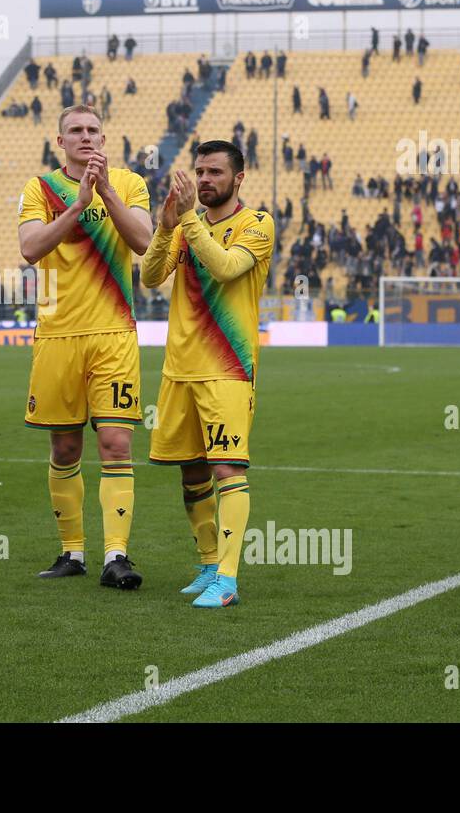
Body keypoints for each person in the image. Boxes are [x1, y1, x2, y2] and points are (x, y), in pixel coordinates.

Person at [19, 105, 152, 589]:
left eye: (93, 130)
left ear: (104, 136)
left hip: (113, 333)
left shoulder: (131, 183)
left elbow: (142, 241)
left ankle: (116, 555)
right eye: (75, 131)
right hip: (56, 335)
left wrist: (105, 193)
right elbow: (30, 248)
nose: (86, 137)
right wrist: (76, 205)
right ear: (61, 141)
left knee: (116, 444)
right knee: (65, 445)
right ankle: (72, 552)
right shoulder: (41, 189)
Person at [140, 140, 273, 609]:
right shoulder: (184, 226)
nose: (204, 180)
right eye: (199, 171)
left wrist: (188, 219)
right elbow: (150, 276)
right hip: (180, 367)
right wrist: (164, 225)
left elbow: (225, 269)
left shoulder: (257, 225)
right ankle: (209, 561)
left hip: (228, 370)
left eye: (214, 172)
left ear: (239, 178)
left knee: (226, 469)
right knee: (191, 470)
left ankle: (229, 580)